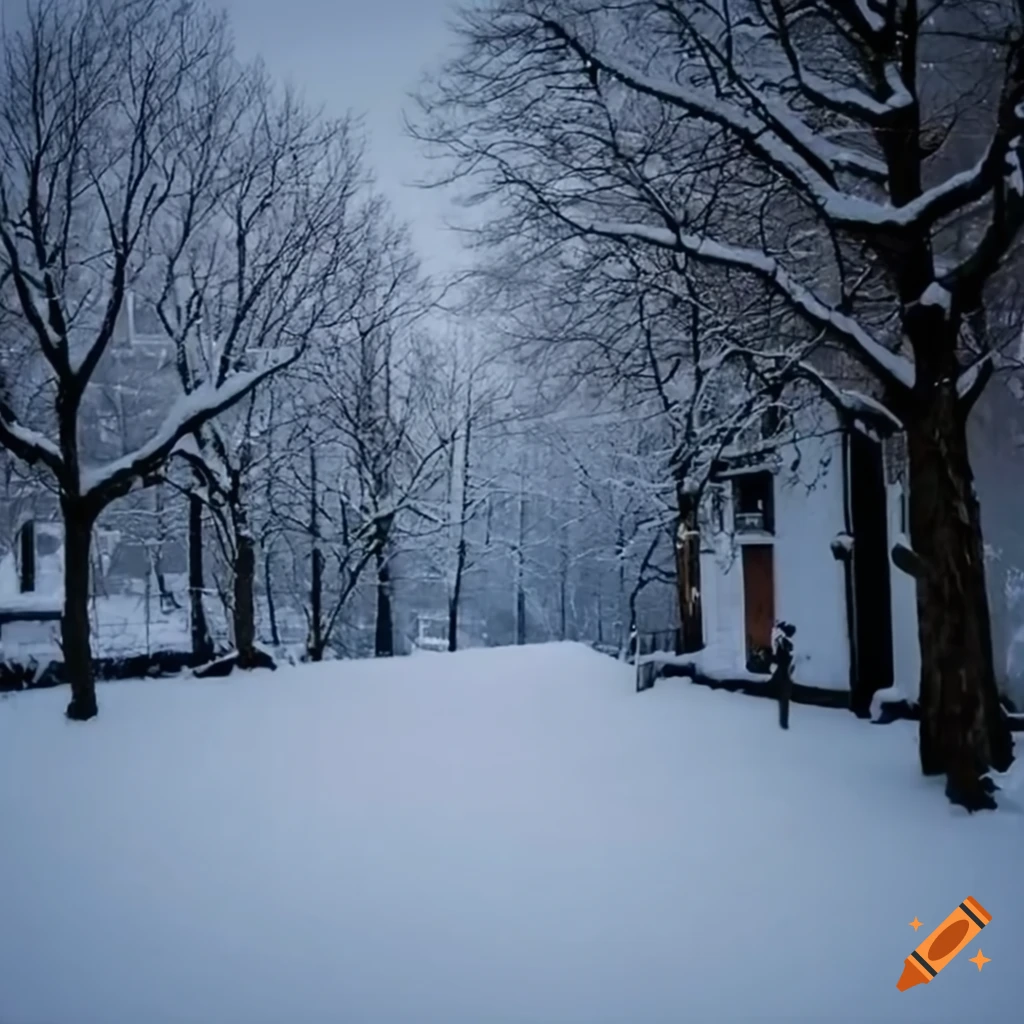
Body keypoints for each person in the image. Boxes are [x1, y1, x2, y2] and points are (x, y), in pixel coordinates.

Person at [771, 621, 796, 730]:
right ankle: (783, 722)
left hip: (782, 669)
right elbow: (788, 649)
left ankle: (783, 722)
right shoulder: (781, 639)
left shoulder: (779, 637)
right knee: (784, 695)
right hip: (783, 670)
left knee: (783, 696)